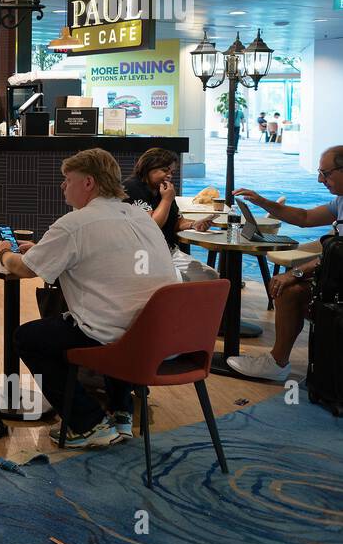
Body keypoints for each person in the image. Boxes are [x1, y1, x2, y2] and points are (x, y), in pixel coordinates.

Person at [0, 148, 177, 448]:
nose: (62, 186)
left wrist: (4, 252)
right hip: (161, 335)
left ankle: (87, 423)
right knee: (118, 309)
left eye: (68, 179)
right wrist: (45, 249)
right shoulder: (141, 216)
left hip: (114, 334)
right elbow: (105, 255)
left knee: (29, 338)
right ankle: (120, 413)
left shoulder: (75, 223)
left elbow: (24, 269)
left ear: (88, 183)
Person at [229, 145, 343, 381]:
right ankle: (281, 361)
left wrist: (296, 273)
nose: (320, 180)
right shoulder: (340, 200)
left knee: (289, 290)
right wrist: (262, 202)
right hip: (336, 276)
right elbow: (305, 218)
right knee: (289, 291)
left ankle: (279, 363)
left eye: (326, 173)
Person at [124, 147, 219, 281]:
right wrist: (167, 199)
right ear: (148, 168)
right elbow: (152, 226)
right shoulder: (132, 188)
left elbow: (177, 221)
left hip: (168, 251)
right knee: (182, 281)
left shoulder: (163, 189)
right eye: (165, 170)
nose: (169, 175)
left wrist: (194, 225)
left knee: (210, 277)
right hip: (143, 255)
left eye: (172, 172)